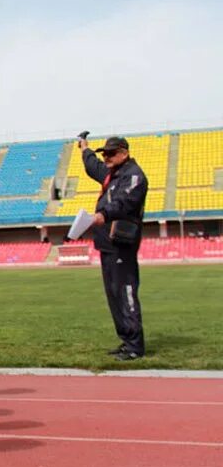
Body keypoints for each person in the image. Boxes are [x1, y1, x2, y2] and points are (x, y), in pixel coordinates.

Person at [78, 135, 148, 361]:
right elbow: (93, 166)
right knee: (113, 294)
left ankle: (135, 346)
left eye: (110, 153)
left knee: (125, 292)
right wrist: (85, 149)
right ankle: (126, 339)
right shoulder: (112, 174)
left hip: (122, 243)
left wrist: (103, 215)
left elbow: (124, 202)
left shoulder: (134, 176)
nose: (105, 158)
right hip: (107, 244)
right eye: (104, 154)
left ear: (124, 153)